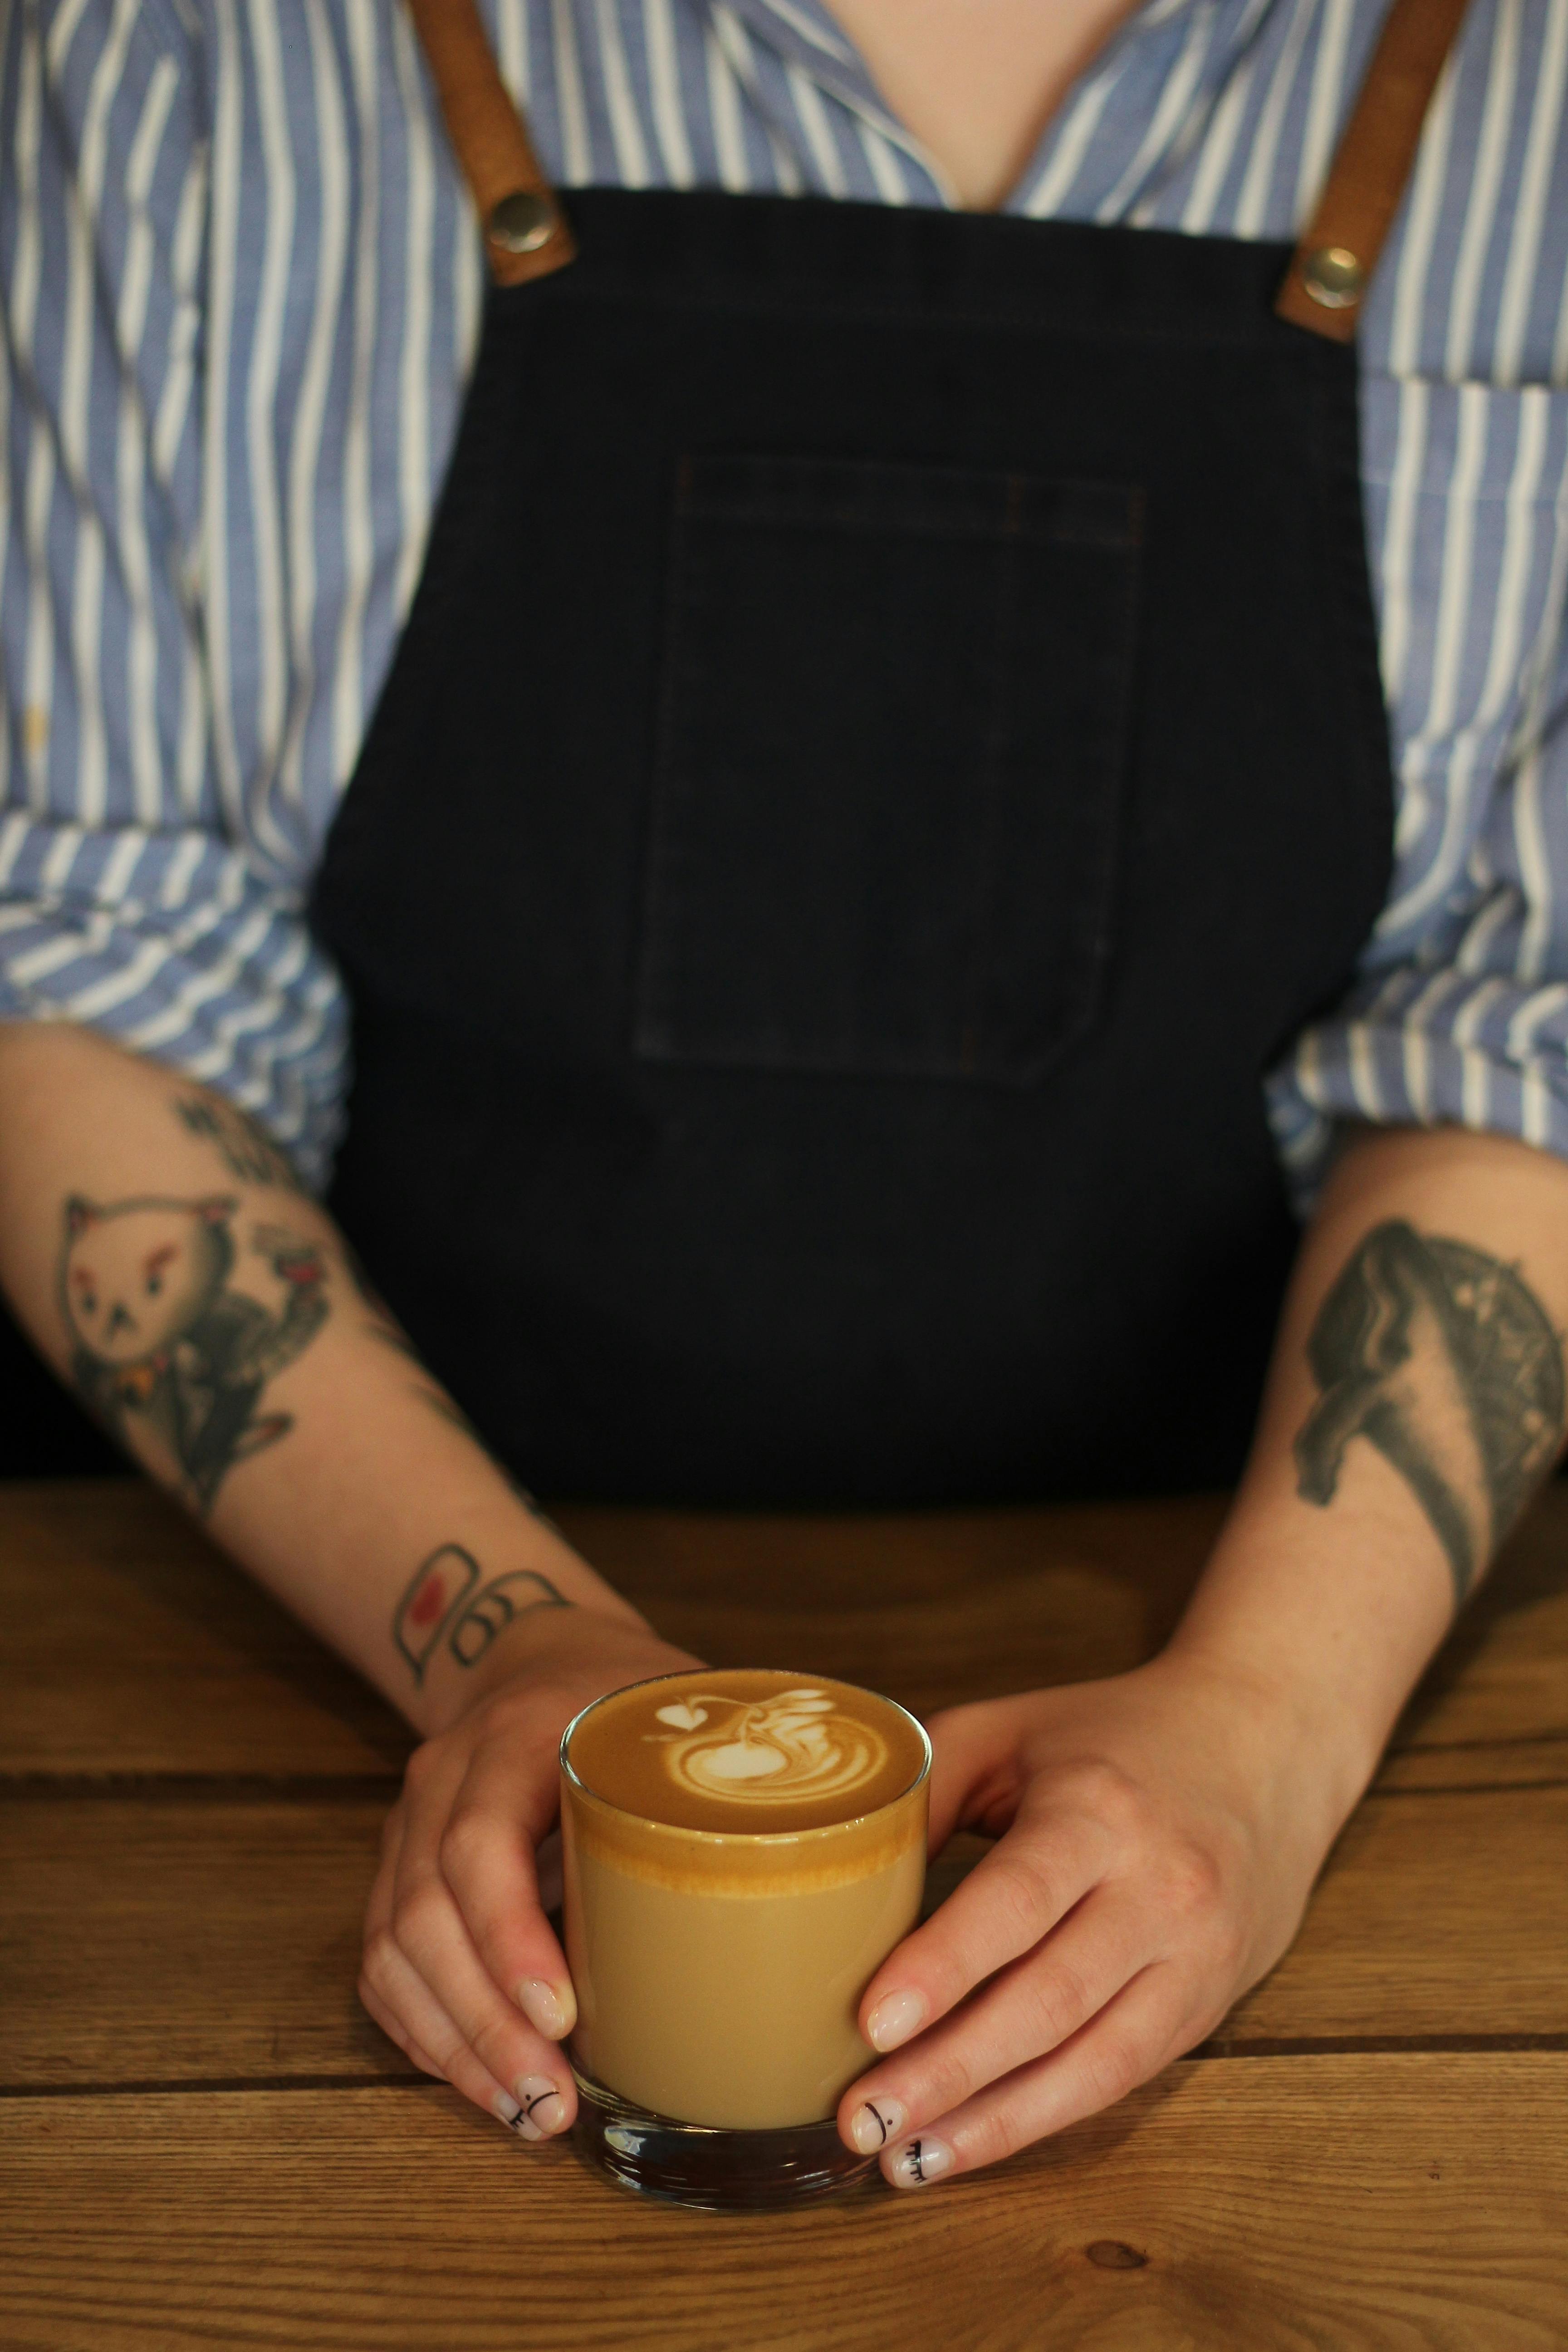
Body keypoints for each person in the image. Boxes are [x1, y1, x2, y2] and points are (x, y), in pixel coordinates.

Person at [1, 0, 1566, 2193]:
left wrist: (1271, 1727)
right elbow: (83, 978)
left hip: (1264, 1641)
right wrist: (511, 1653)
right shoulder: (182, 50)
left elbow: (1525, 1014)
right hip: (345, 1646)